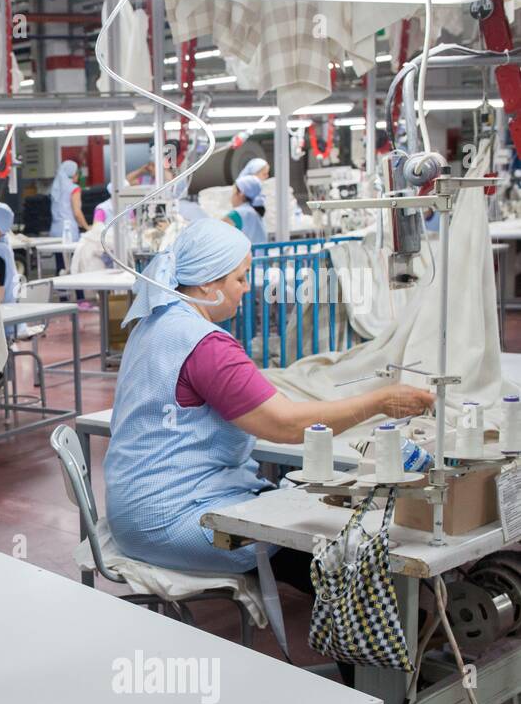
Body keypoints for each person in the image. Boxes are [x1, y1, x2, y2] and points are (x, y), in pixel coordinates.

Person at [104, 219, 433, 584]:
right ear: (209, 283)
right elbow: (287, 425)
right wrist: (381, 402)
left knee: (301, 516)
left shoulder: (152, 323)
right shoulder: (205, 344)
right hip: (175, 519)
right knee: (329, 531)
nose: (246, 289)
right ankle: (386, 618)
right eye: (240, 278)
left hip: (132, 511)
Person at [49, 160, 89, 242]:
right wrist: (87, 227)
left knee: (58, 254)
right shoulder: (74, 188)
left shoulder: (55, 188)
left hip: (55, 230)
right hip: (69, 231)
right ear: (73, 174)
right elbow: (77, 213)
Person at [224, 173, 268, 245]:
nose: (231, 197)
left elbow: (214, 235)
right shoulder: (256, 212)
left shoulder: (238, 213)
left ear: (241, 193)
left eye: (233, 192)